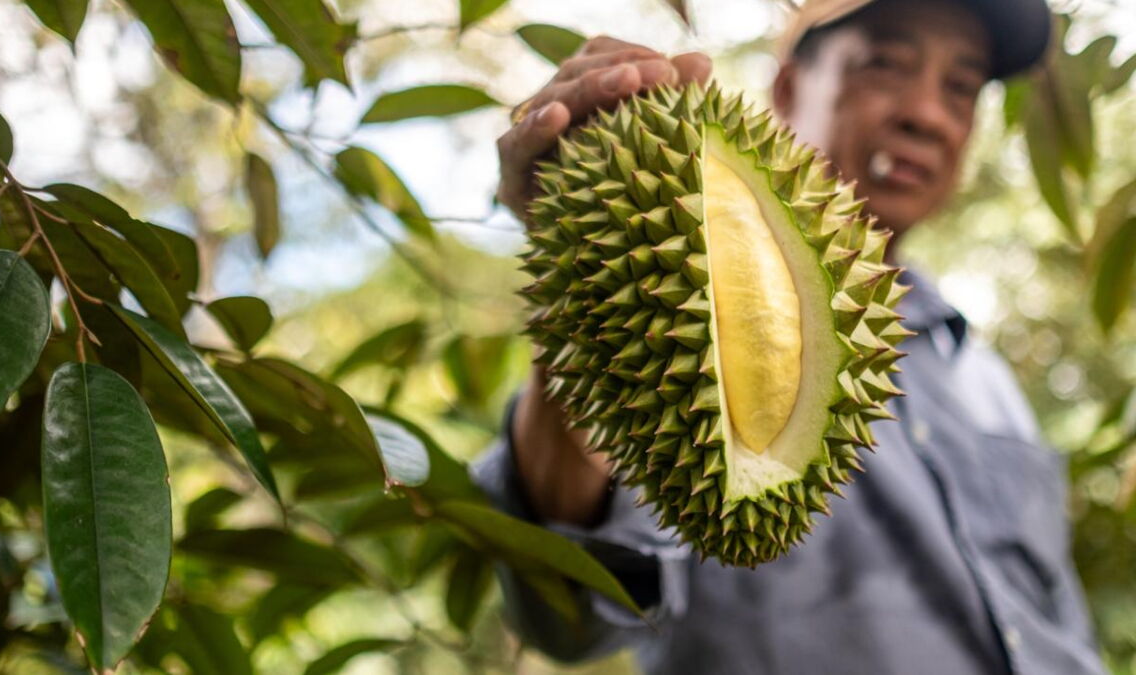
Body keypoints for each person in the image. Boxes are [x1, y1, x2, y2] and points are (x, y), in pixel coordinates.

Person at [474, 0, 1106, 672]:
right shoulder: (667, 268)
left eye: (961, 86)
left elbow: (1057, 619)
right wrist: (585, 270)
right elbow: (568, 607)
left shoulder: (984, 374)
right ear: (787, 87)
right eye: (886, 64)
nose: (927, 113)